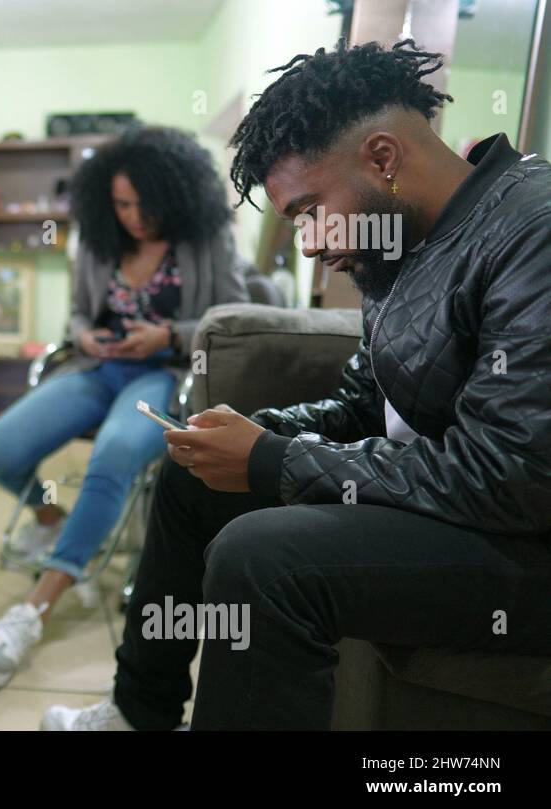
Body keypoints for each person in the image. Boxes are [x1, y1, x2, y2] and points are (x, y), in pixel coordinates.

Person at [44, 39, 551, 731]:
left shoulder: (532, 227)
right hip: (449, 507)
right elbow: (364, 406)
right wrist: (258, 431)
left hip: (524, 540)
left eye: (312, 209)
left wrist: (272, 459)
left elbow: (508, 474)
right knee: (191, 475)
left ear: (382, 157)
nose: (310, 242)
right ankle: (140, 711)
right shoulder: (396, 244)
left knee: (263, 560)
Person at [0, 125, 251, 688]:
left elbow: (232, 319)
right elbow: (77, 314)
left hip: (162, 372)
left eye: (146, 203)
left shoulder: (208, 237)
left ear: (176, 192)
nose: (135, 216)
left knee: (116, 454)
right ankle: (57, 523)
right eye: (122, 203)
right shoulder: (97, 238)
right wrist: (86, 336)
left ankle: (34, 610)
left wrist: (168, 335)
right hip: (98, 368)